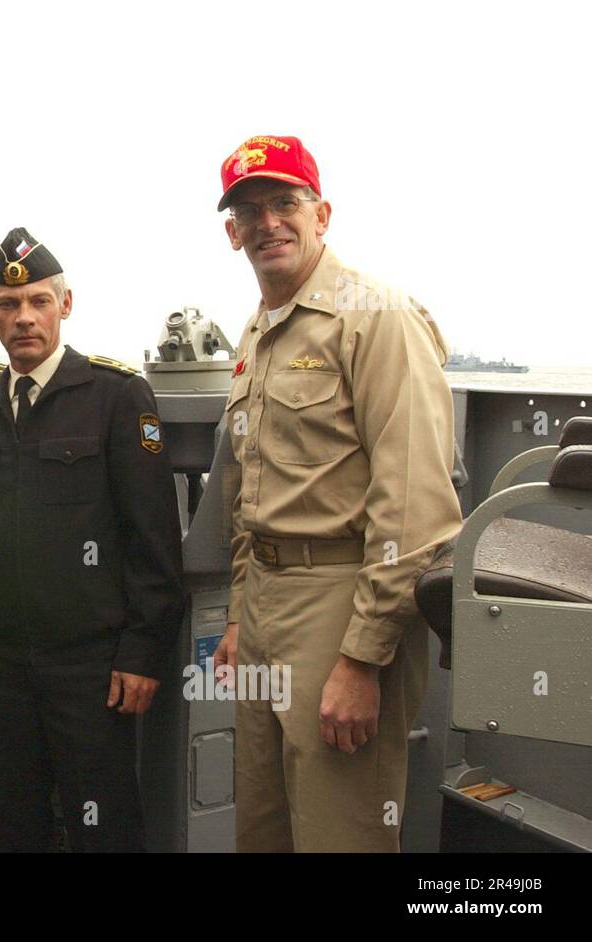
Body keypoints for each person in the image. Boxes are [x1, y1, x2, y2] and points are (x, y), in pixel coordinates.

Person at [210, 135, 462, 852]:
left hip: (342, 600)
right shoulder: (258, 332)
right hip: (263, 603)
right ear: (232, 233)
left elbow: (414, 507)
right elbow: (248, 490)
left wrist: (362, 658)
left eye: (285, 203)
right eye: (249, 210)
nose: (268, 224)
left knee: (337, 833)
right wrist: (237, 618)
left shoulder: (376, 317)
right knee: (262, 829)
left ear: (323, 214)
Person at [0, 228, 185, 852]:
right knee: (13, 824)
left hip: (91, 665)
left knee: (103, 825)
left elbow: (153, 541)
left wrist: (141, 653)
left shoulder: (117, 396)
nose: (24, 318)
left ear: (65, 305)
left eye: (39, 303)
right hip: (0, 666)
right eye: (8, 305)